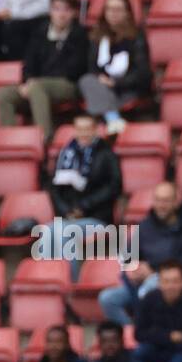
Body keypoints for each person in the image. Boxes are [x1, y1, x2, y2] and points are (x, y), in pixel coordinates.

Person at [99, 182, 182, 325]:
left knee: (149, 290)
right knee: (107, 299)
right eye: (158, 200)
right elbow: (127, 257)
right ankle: (134, 330)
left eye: (166, 201)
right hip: (139, 283)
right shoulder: (145, 225)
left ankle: (145, 331)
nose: (161, 205)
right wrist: (133, 270)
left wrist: (154, 272)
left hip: (170, 285)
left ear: (176, 203)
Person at [0, 0, 89, 142]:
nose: (61, 14)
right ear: (50, 11)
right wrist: (28, 81)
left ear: (74, 12)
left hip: (68, 84)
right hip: (38, 85)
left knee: (37, 87)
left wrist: (36, 83)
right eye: (56, 9)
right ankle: (9, 139)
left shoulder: (80, 35)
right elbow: (29, 63)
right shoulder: (40, 32)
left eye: (66, 9)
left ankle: (43, 138)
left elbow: (77, 68)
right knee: (5, 94)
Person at [49, 113, 122, 279]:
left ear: (96, 130)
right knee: (48, 230)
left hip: (98, 217)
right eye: (79, 129)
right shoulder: (66, 154)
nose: (83, 133)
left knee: (65, 231)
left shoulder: (106, 154)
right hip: (68, 216)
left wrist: (83, 207)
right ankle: (54, 280)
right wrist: (67, 211)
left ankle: (70, 282)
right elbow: (54, 189)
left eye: (87, 129)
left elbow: (114, 187)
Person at [78, 0, 152, 137]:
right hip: (101, 89)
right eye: (110, 9)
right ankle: (114, 119)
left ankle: (109, 119)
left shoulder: (137, 37)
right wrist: (102, 80)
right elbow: (92, 69)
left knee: (95, 93)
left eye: (118, 10)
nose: (113, 14)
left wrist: (115, 83)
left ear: (127, 13)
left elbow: (143, 73)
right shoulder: (96, 37)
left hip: (127, 89)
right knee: (86, 81)